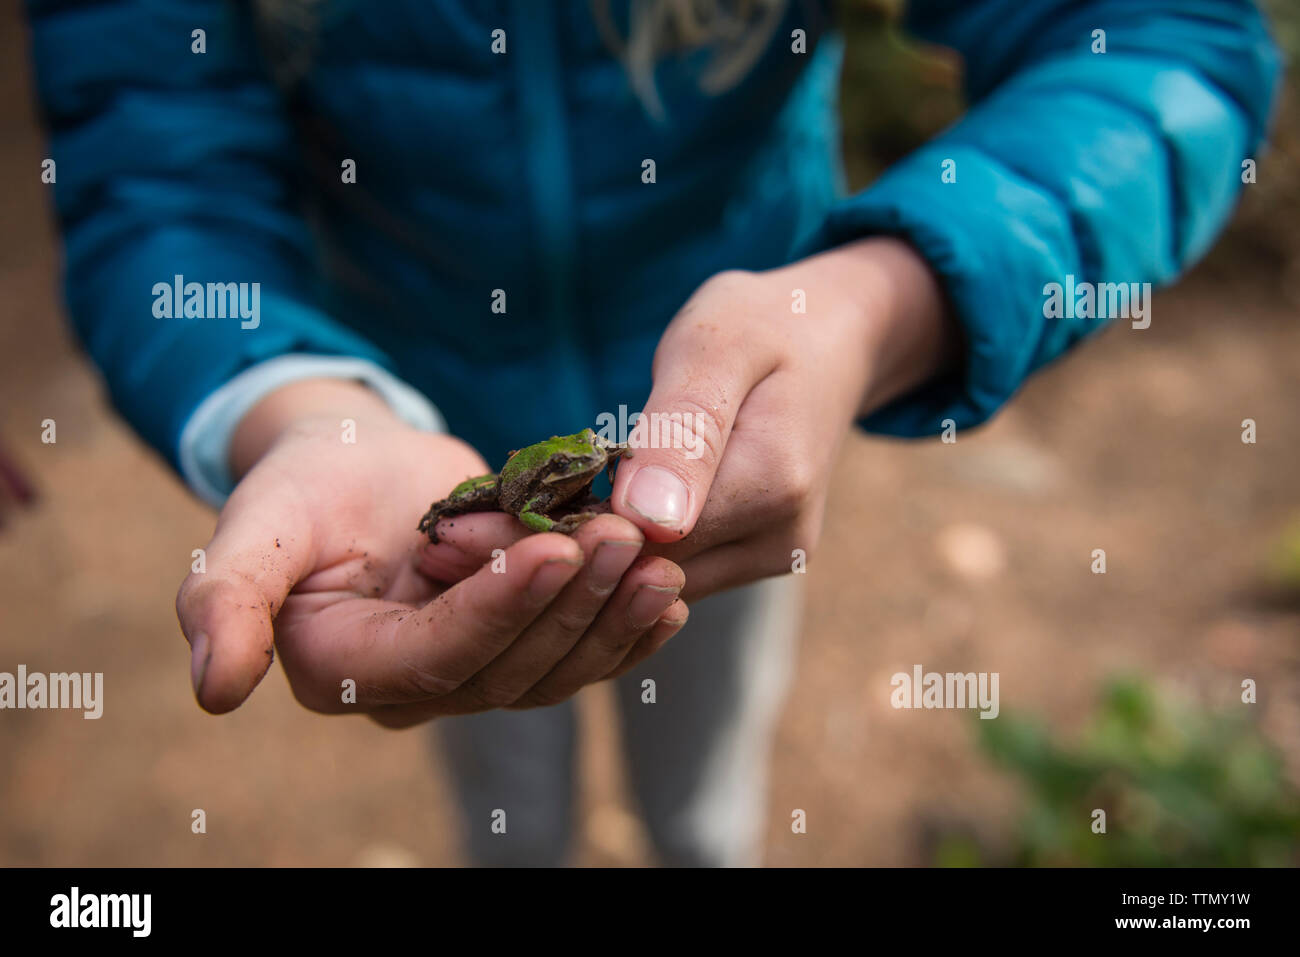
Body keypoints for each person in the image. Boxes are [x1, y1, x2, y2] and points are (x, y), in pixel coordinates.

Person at [25, 0, 1280, 866]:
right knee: (502, 776)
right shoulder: (512, 499)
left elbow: (1162, 40)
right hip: (415, 426)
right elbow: (152, 167)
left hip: (727, 439)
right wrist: (297, 405)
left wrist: (878, 300)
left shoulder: (639, 470)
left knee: (702, 775)